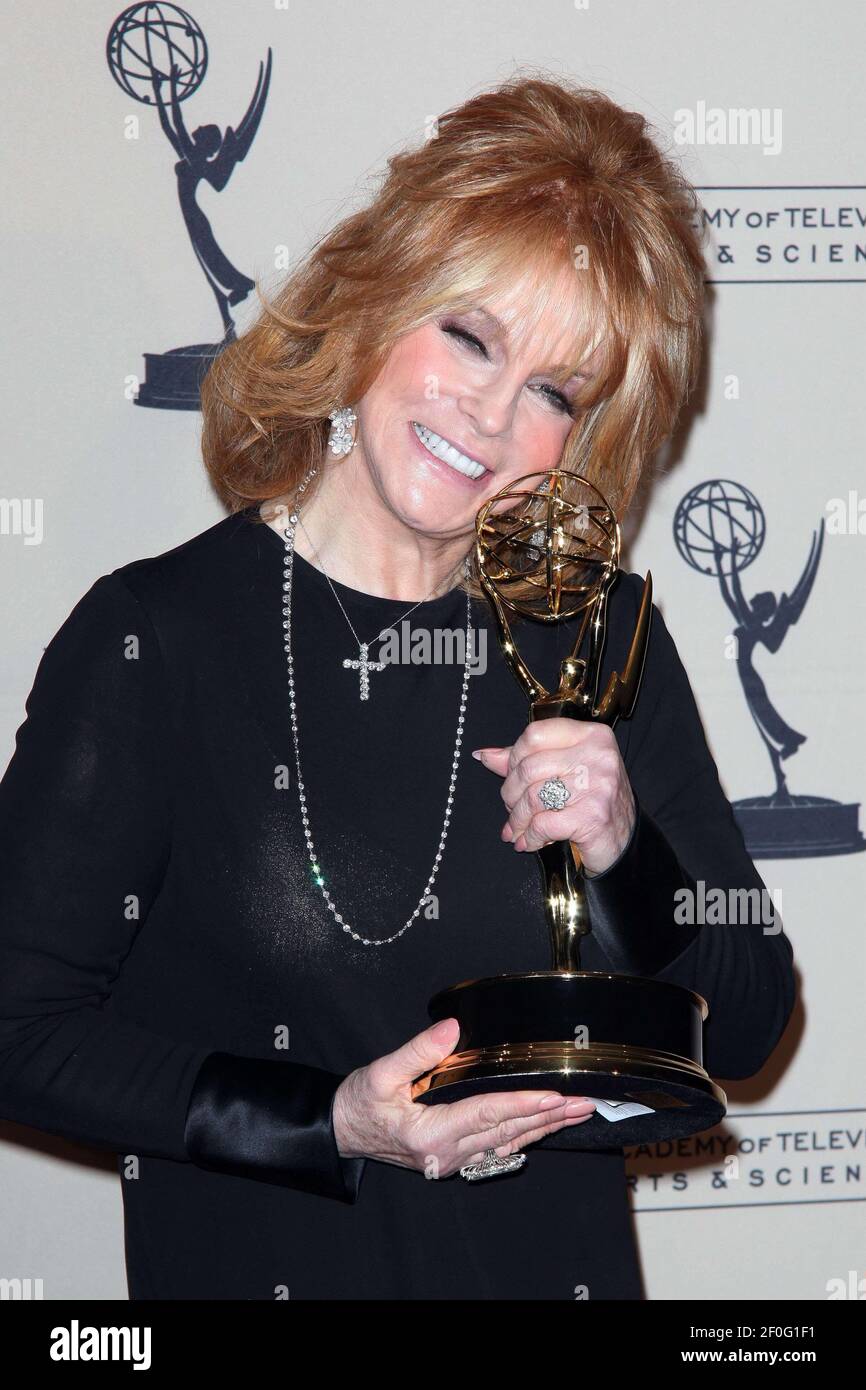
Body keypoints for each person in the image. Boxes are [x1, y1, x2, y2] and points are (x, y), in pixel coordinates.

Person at [0, 75, 795, 1301]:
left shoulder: (596, 633)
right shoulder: (156, 641)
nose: (487, 410)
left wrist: (627, 846)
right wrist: (331, 1121)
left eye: (551, 391)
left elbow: (744, 1026)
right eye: (469, 336)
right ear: (373, 307)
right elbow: (19, 1029)